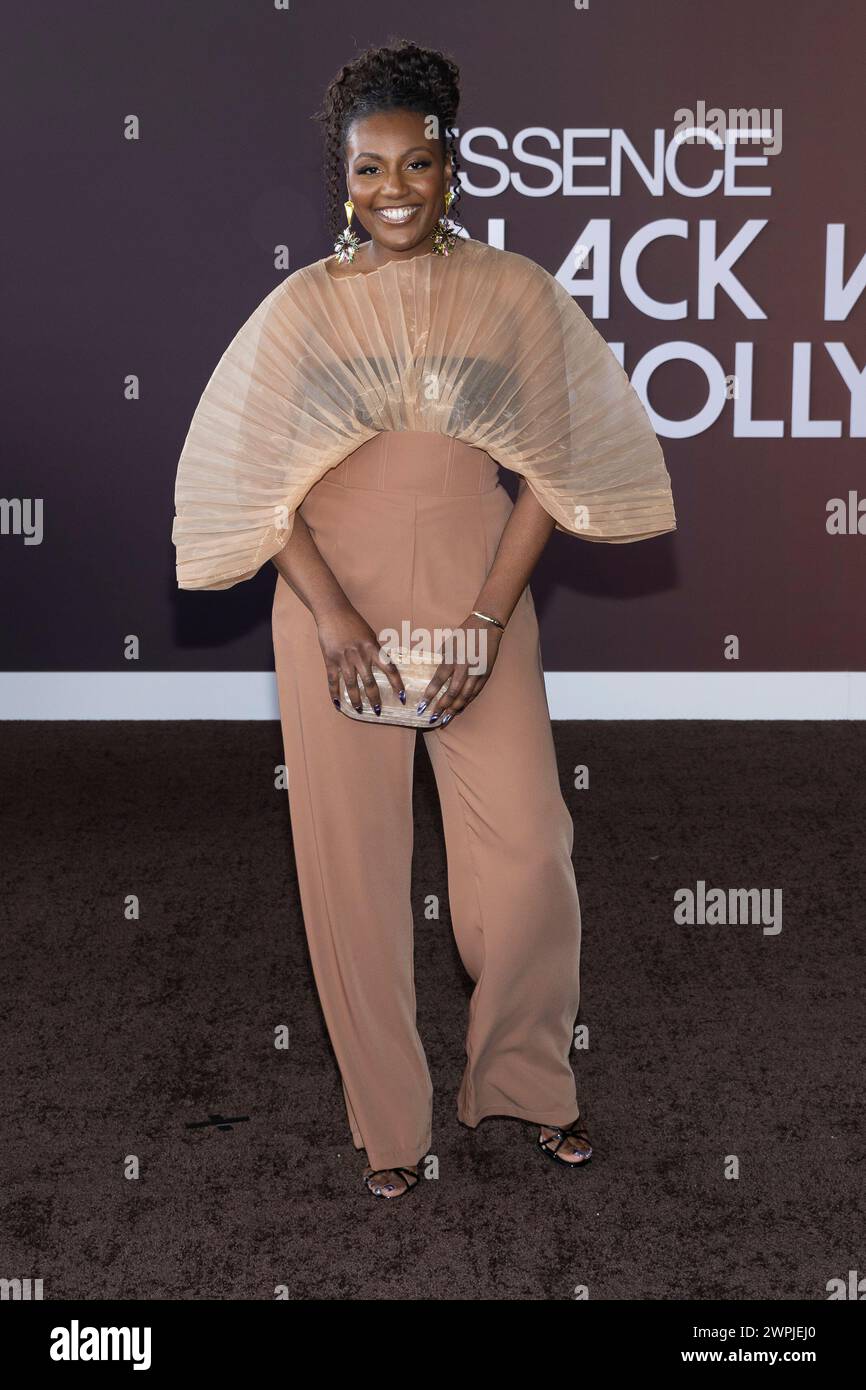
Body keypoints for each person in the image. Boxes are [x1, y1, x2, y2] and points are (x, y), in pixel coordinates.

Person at [172, 39, 677, 1199]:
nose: (391, 190)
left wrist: (488, 620)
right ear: (340, 179)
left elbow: (555, 471)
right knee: (351, 869)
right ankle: (389, 1125)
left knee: (529, 853)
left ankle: (525, 1083)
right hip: (331, 611)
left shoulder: (514, 295)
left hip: (475, 595)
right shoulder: (301, 309)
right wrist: (335, 615)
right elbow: (261, 491)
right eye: (366, 170)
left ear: (451, 165)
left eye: (415, 164)